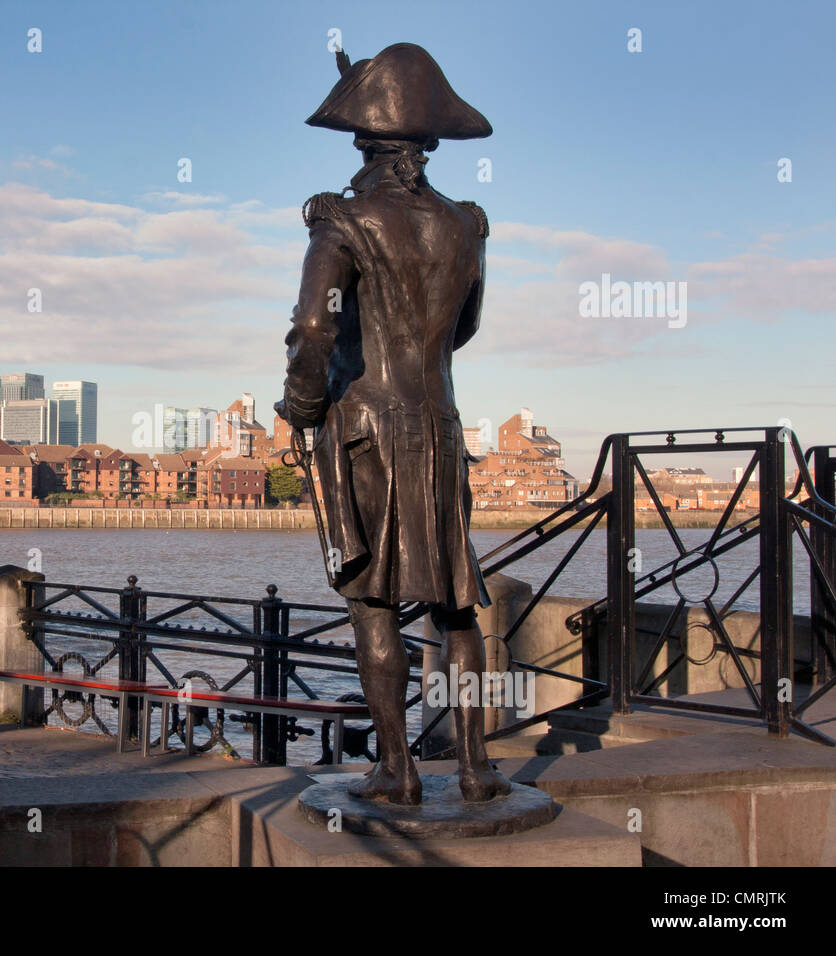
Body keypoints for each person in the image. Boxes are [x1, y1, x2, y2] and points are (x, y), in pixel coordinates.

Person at [276, 43, 511, 804]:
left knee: (372, 601)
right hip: (440, 428)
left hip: (366, 431)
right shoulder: (465, 225)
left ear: (362, 141)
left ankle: (396, 772)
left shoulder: (341, 220)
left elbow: (314, 326)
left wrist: (305, 405)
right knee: (455, 600)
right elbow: (463, 328)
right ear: (428, 142)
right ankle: (476, 770)